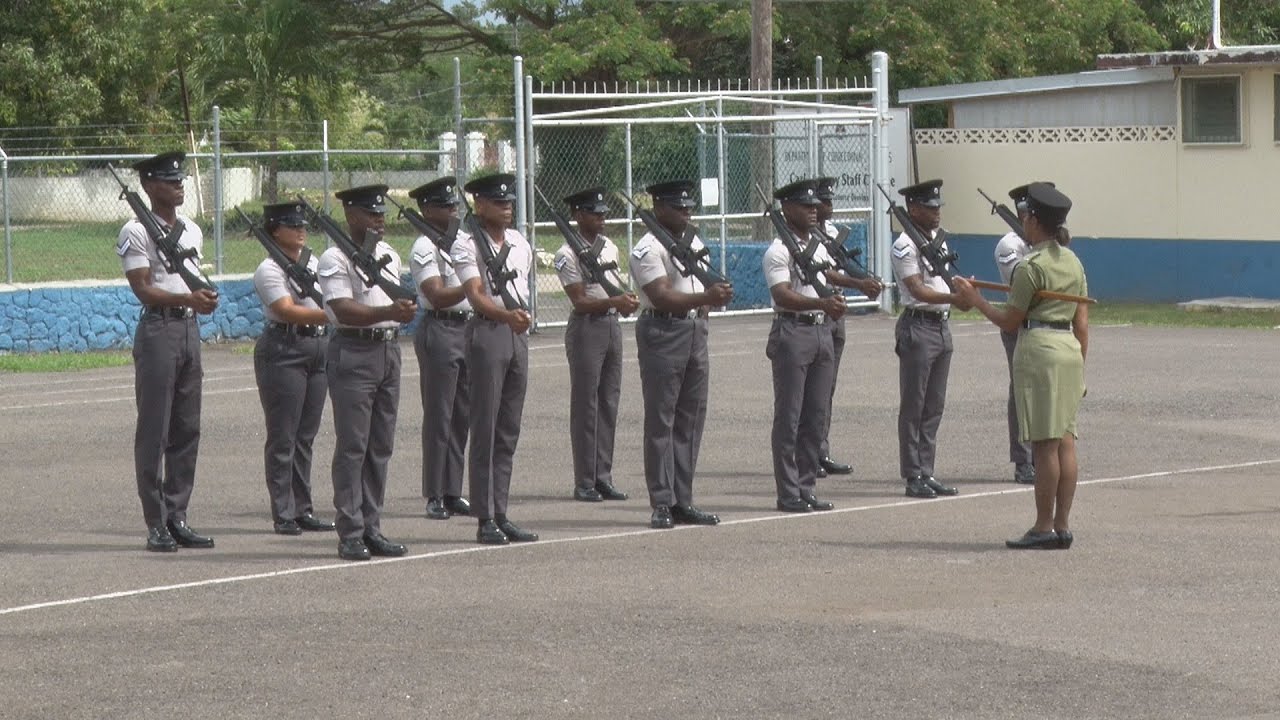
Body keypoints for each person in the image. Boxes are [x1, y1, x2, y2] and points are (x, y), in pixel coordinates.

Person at [954, 183, 1088, 550]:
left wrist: (975, 299)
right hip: (1069, 350)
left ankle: (1043, 526)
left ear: (1033, 221)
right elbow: (1082, 322)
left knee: (1044, 446)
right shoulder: (1073, 262)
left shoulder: (1030, 266)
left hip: (1041, 349)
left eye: (1026, 217)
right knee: (1065, 442)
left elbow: (1010, 319)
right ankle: (1062, 525)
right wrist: (1082, 367)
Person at [116, 151, 219, 553]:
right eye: (168, 179)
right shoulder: (136, 230)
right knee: (154, 430)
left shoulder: (191, 230)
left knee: (186, 428)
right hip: (159, 329)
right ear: (148, 186)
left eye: (180, 179)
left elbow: (189, 278)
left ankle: (178, 516)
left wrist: (201, 299)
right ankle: (155, 521)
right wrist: (191, 300)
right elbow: (141, 286)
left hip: (189, 330)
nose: (179, 184)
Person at [316, 184, 416, 561]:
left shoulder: (387, 253)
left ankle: (372, 525)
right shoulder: (334, 258)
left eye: (382, 214)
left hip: (388, 350)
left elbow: (395, 297)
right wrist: (389, 313)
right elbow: (342, 308)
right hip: (353, 350)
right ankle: (351, 531)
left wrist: (399, 311)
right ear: (351, 216)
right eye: (371, 214)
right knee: (353, 446)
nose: (379, 220)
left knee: (380, 445)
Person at [630, 179, 733, 529]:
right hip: (663, 330)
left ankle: (683, 499)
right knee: (662, 419)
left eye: (689, 206)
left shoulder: (692, 241)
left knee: (690, 419)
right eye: (678, 207)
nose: (686, 212)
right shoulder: (648, 248)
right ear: (659, 208)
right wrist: (707, 299)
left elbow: (700, 282)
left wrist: (710, 300)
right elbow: (660, 295)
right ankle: (661, 501)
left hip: (693, 330)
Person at [452, 173, 539, 545]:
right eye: (498, 202)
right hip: (488, 332)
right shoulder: (465, 244)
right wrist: (506, 316)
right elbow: (475, 294)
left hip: (515, 336)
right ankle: (484, 516)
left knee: (508, 429)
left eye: (509, 202)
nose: (507, 207)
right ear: (479, 205)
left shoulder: (520, 243)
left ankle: (501, 511)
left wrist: (515, 320)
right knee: (485, 428)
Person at [762, 179, 858, 513]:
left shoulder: (816, 246)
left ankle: (806, 487)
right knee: (790, 416)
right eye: (806, 206)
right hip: (793, 331)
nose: (814, 210)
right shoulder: (777, 250)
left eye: (815, 205)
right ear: (787, 209)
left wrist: (854, 285)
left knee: (815, 415)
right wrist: (822, 305)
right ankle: (788, 491)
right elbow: (782, 293)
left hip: (820, 333)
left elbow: (828, 276)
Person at [252, 202, 335, 536]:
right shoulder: (269, 269)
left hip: (318, 348)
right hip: (284, 349)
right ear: (275, 230)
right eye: (291, 225)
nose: (301, 229)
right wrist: (336, 315)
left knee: (306, 435)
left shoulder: (313, 262)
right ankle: (283, 511)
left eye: (302, 224)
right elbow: (287, 310)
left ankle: (303, 507)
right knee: (283, 435)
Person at [552, 186, 639, 503]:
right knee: (586, 406)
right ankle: (584, 480)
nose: (601, 218)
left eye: (603, 213)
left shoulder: (609, 249)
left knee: (608, 403)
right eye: (594, 213)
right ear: (578, 215)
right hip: (587, 328)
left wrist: (624, 300)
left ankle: (604, 476)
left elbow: (611, 287)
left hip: (611, 325)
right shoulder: (566, 254)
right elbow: (579, 299)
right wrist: (615, 300)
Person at [889, 179, 970, 500]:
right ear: (913, 209)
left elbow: (943, 277)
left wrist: (962, 290)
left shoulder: (939, 240)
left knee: (934, 405)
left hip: (941, 326)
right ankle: (913, 475)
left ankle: (927, 470)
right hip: (918, 326)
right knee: (914, 405)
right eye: (929, 208)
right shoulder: (905, 245)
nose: (936, 213)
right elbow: (916, 287)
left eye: (938, 207)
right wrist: (957, 297)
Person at [407, 177, 473, 521]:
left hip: (467, 328)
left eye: (454, 205)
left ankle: (452, 490)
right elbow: (436, 293)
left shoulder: (463, 242)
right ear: (427, 210)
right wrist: (473, 284)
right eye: (445, 206)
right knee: (439, 415)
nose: (452, 211)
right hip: (441, 326)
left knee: (462, 415)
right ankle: (434, 493)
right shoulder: (424, 247)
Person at [813, 176, 883, 478]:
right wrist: (858, 283)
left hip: (836, 314)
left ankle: (820, 450)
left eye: (830, 202)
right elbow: (828, 274)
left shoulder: (830, 233)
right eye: (823, 202)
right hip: (816, 314)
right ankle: (805, 454)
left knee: (826, 389)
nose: (829, 207)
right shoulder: (804, 238)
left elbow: (841, 268)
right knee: (810, 393)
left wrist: (863, 279)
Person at [993, 184, 1041, 485]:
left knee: (1044, 391)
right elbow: (1028, 286)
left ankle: (1042, 455)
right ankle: (1023, 460)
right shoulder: (1009, 245)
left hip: (1045, 325)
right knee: (1022, 391)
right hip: (1020, 324)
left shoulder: (1046, 243)